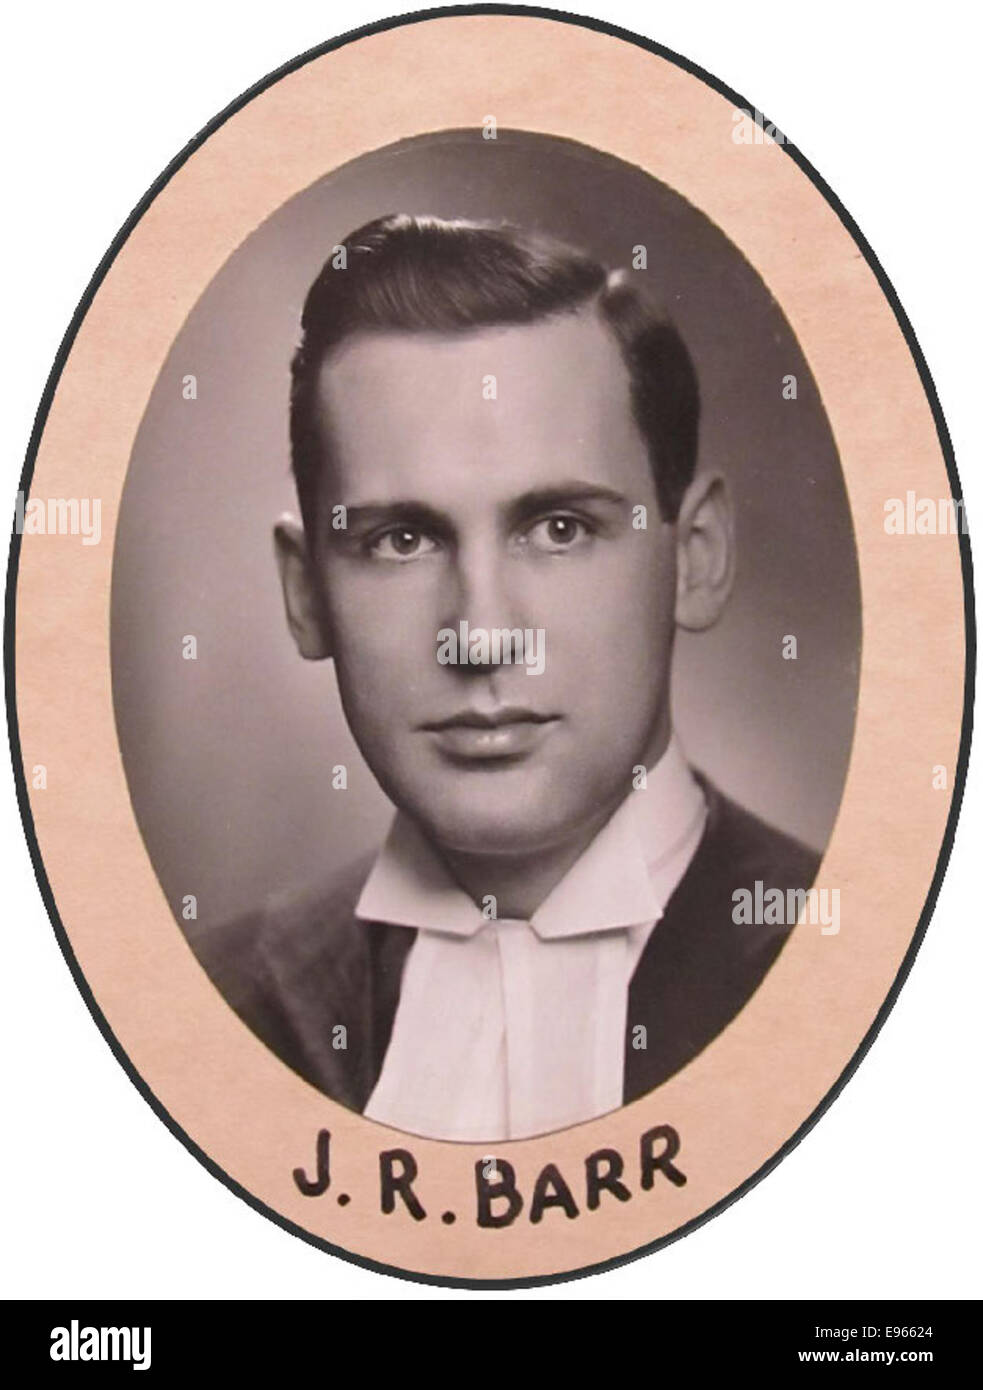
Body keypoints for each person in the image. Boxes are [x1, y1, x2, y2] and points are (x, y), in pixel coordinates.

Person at [191, 213, 819, 1141]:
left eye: (559, 529)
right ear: (306, 594)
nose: (481, 638)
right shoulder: (217, 1008)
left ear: (693, 558)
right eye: (399, 541)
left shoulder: (876, 965)